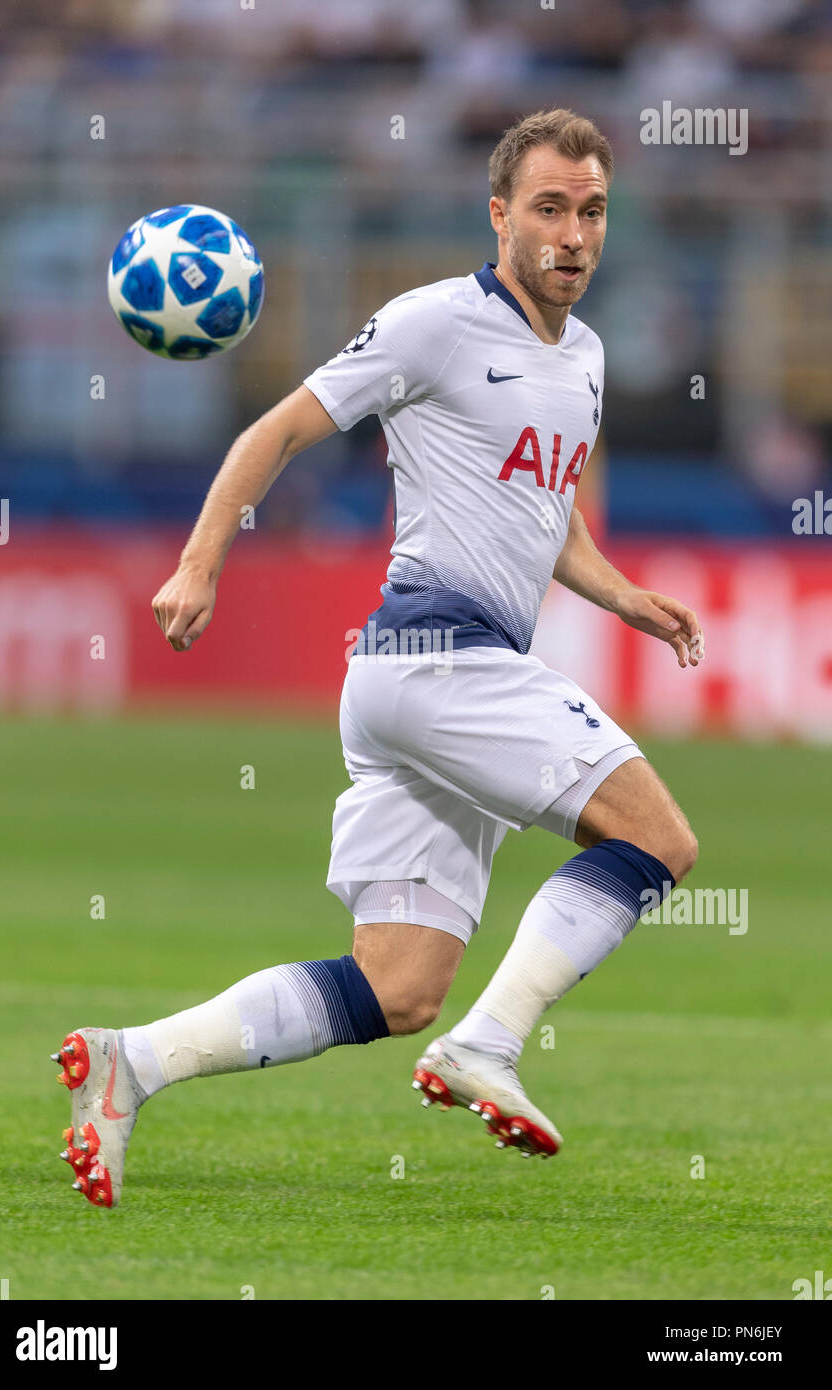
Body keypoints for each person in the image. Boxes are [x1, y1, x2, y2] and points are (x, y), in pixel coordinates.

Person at [53, 108, 702, 1207]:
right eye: (547, 208)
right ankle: (492, 1043)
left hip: (426, 687)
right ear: (497, 215)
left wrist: (623, 595)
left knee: (396, 988)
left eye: (590, 212)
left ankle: (132, 1062)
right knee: (658, 838)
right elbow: (278, 431)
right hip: (437, 657)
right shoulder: (431, 324)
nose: (571, 235)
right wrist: (200, 563)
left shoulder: (582, 357)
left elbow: (548, 519)